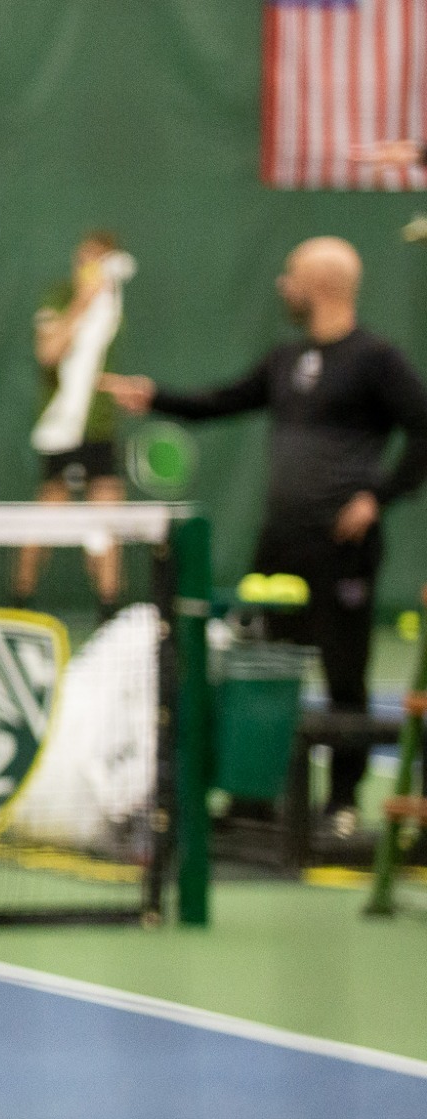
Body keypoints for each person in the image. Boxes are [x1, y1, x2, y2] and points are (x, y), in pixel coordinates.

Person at [105, 236, 427, 837]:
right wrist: (156, 397)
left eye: (291, 275)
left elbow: (424, 430)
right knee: (260, 669)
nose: (282, 285)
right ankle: (253, 801)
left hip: (343, 550)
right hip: (280, 546)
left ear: (322, 286)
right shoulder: (285, 360)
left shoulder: (376, 360)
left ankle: (341, 805)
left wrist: (375, 498)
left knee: (344, 675)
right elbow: (223, 400)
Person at [14, 231, 131, 617]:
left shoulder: (115, 305)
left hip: (99, 431)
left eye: (96, 261)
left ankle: (108, 615)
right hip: (60, 431)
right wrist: (82, 302)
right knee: (44, 526)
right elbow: (49, 353)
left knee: (106, 529)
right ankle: (18, 607)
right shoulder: (58, 297)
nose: (88, 267)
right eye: (83, 260)